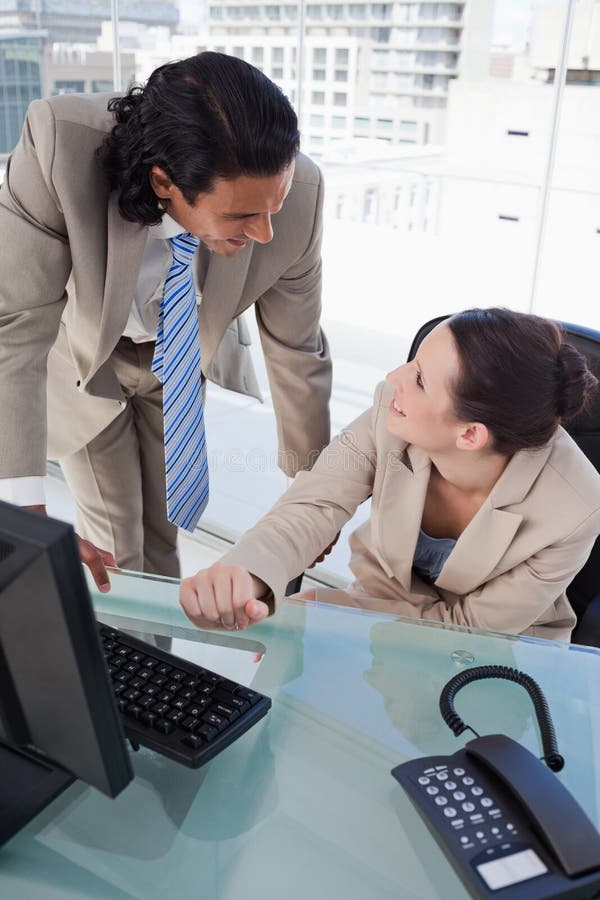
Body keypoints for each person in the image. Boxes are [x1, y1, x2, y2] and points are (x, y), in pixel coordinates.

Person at [0, 52, 332, 589]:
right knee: (118, 545)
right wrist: (22, 512)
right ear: (163, 182)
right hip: (86, 359)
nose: (265, 233)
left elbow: (298, 351)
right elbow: (13, 326)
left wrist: (312, 495)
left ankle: (159, 639)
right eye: (242, 216)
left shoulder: (298, 198)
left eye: (273, 207)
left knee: (163, 534)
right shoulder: (57, 145)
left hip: (180, 354)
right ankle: (124, 643)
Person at [180, 307, 600, 642]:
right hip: (381, 604)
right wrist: (246, 573)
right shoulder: (391, 410)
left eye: (419, 380)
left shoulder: (577, 507)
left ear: (470, 434)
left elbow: (470, 629)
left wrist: (339, 613)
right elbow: (315, 503)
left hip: (499, 648)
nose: (392, 378)